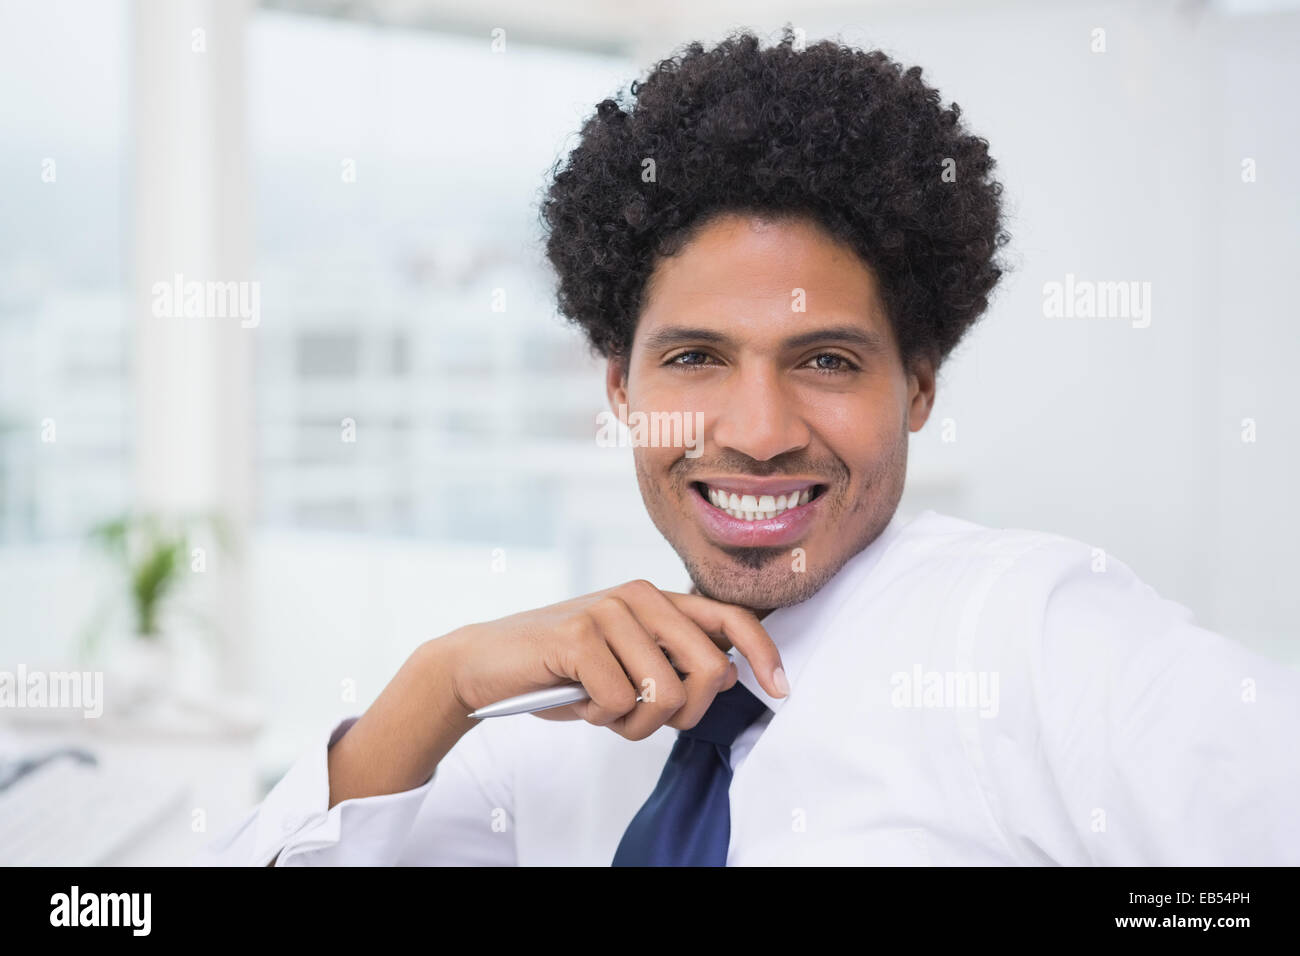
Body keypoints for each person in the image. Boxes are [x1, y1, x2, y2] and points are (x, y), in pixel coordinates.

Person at [198, 28, 1300, 866]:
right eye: (693, 359)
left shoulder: (1032, 636)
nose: (760, 432)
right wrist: (433, 683)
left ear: (916, 385)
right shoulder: (559, 724)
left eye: (824, 359)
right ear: (620, 388)